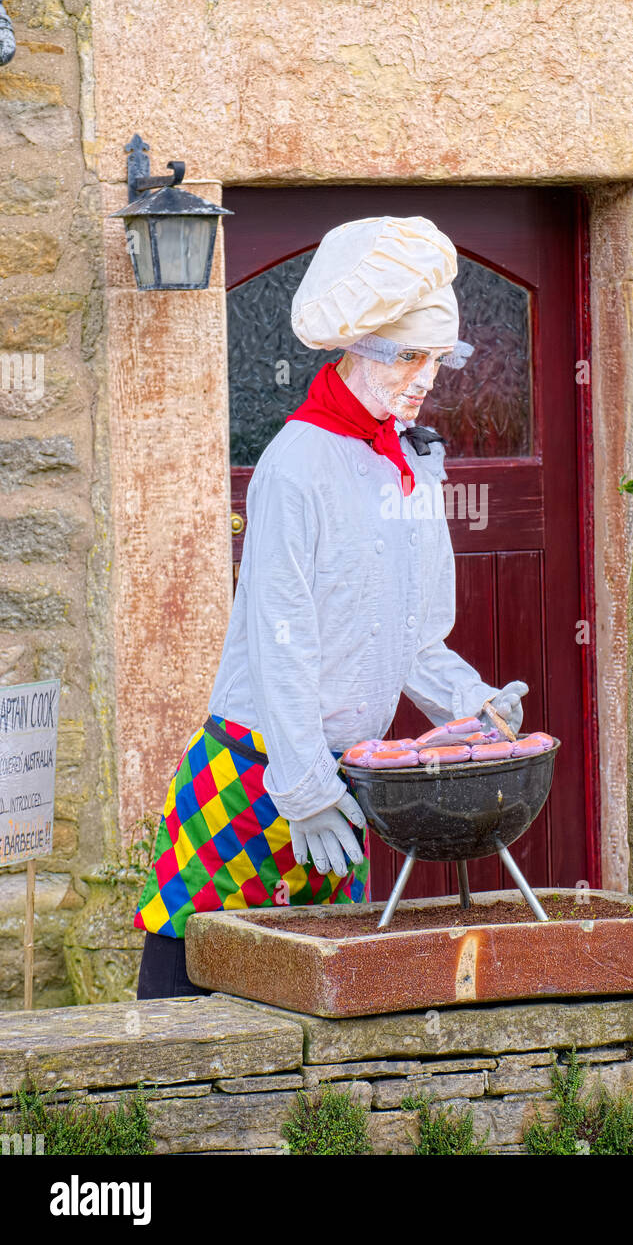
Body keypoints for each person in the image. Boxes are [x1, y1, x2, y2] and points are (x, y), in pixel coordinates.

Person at [134, 214, 528, 998]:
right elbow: (282, 642)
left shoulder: (409, 467)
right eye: (409, 356)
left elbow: (417, 639)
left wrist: (472, 704)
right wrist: (304, 787)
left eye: (437, 359)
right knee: (193, 993)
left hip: (345, 784)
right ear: (357, 350)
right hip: (252, 771)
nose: (427, 377)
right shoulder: (295, 465)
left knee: (318, 1002)